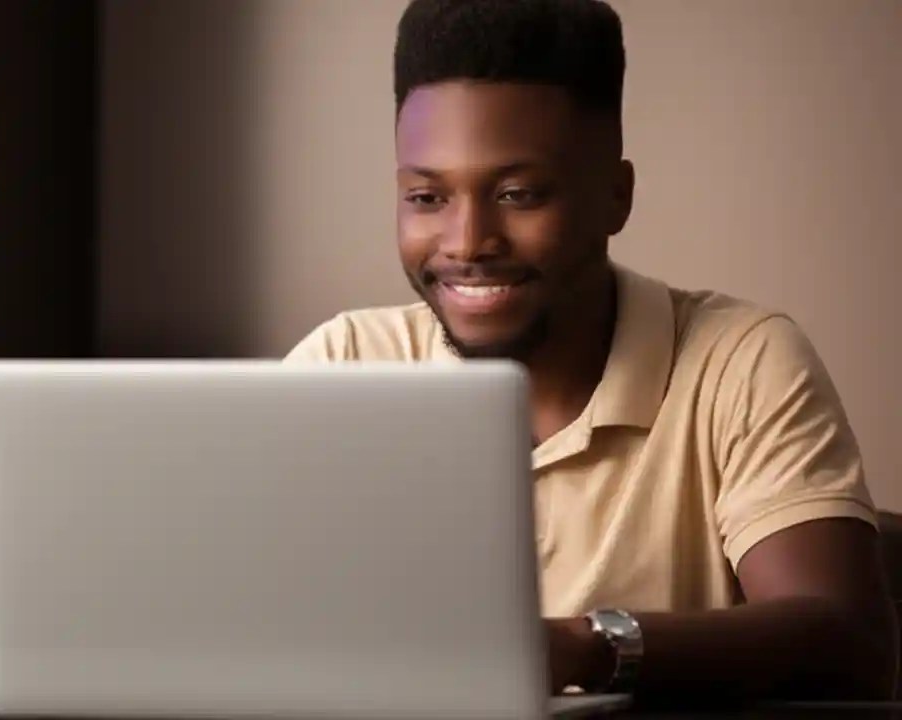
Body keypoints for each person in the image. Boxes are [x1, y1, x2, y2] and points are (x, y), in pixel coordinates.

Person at [284, 0, 899, 704]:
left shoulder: (742, 361)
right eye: (427, 197)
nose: (467, 241)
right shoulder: (344, 365)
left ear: (615, 195)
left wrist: (583, 647)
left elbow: (851, 641)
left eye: (518, 193)